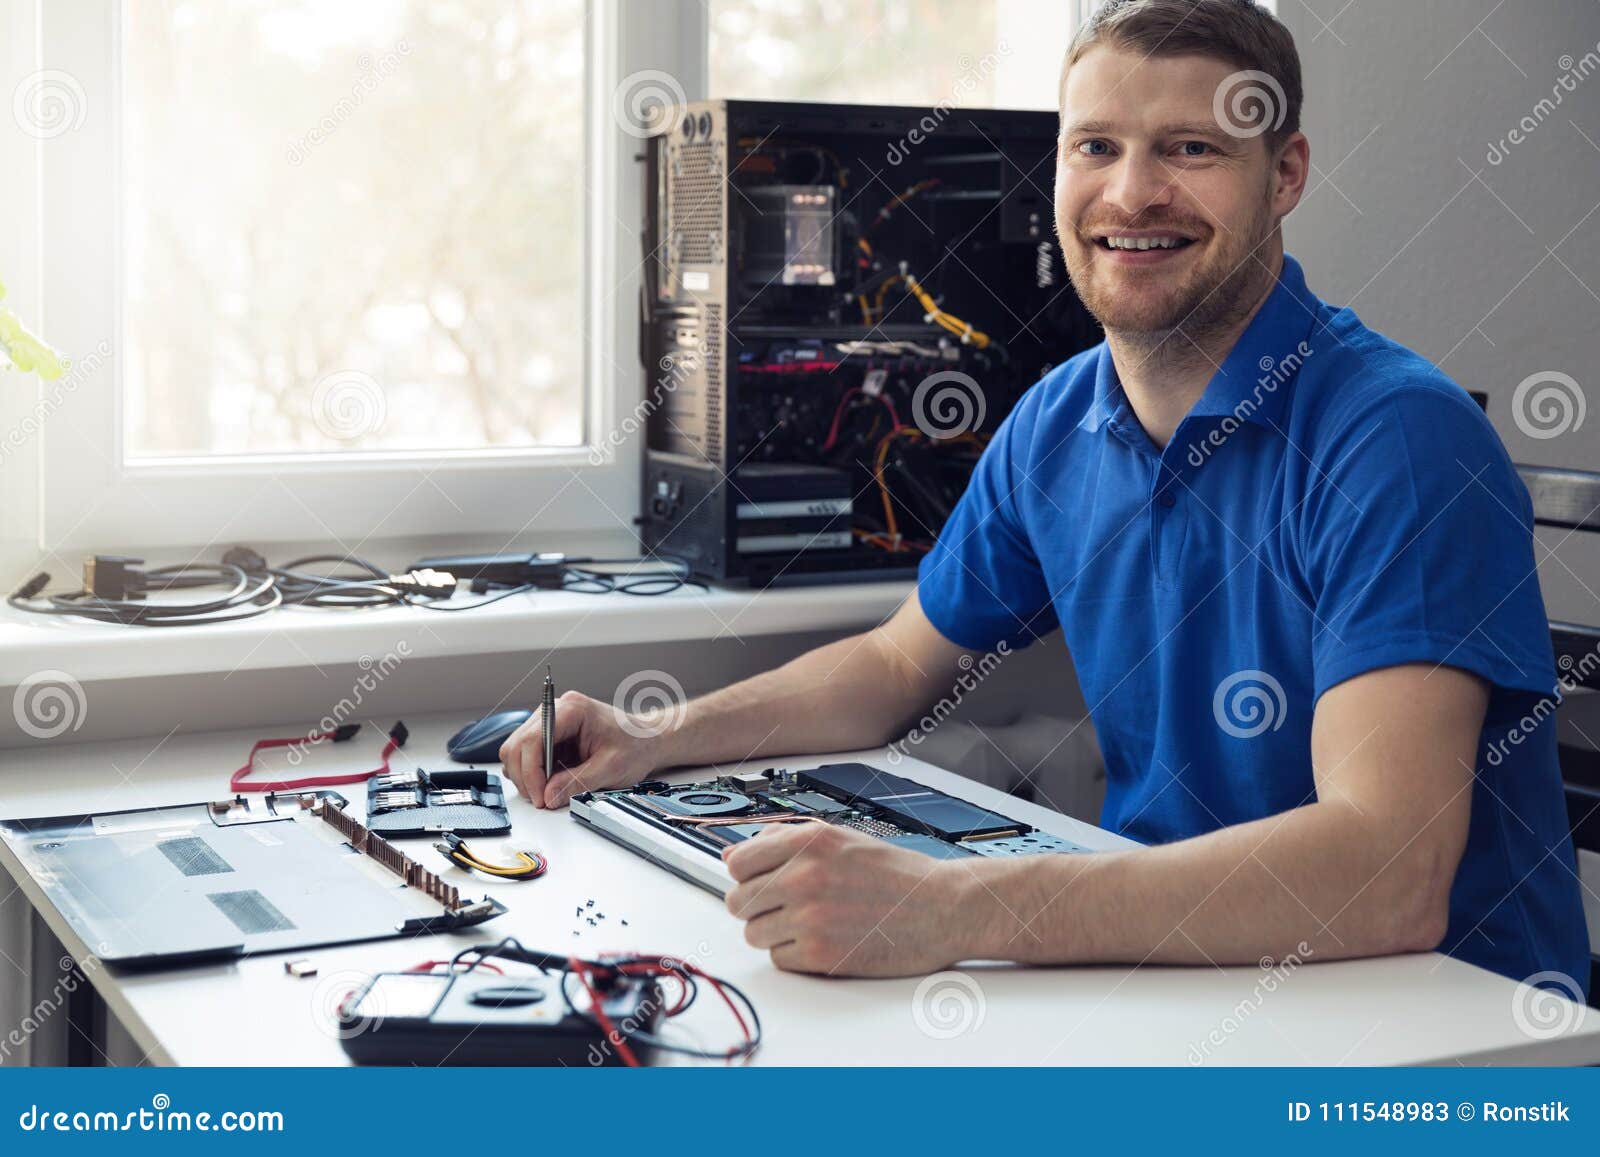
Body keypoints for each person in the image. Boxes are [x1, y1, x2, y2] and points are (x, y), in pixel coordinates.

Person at [500, 0, 1588, 991]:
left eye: (1191, 148)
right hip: (1187, 974)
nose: (1132, 193)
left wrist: (948, 906)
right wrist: (655, 735)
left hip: (1439, 1029)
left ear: (1286, 172)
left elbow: (1387, 872)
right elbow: (894, 667)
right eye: (1095, 147)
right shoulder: (1059, 419)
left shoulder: (1398, 437)